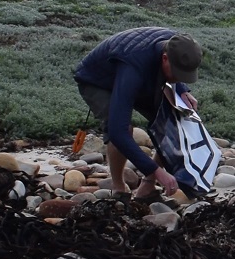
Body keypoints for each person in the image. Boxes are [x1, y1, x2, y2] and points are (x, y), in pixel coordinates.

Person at [73, 27, 203, 200]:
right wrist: (155, 170)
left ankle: (147, 185)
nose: (179, 79)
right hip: (99, 81)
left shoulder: (177, 45)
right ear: (165, 58)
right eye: (178, 75)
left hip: (142, 73)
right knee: (123, 128)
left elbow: (173, 71)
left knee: (175, 121)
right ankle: (119, 187)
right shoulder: (133, 67)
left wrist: (183, 90)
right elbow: (117, 132)